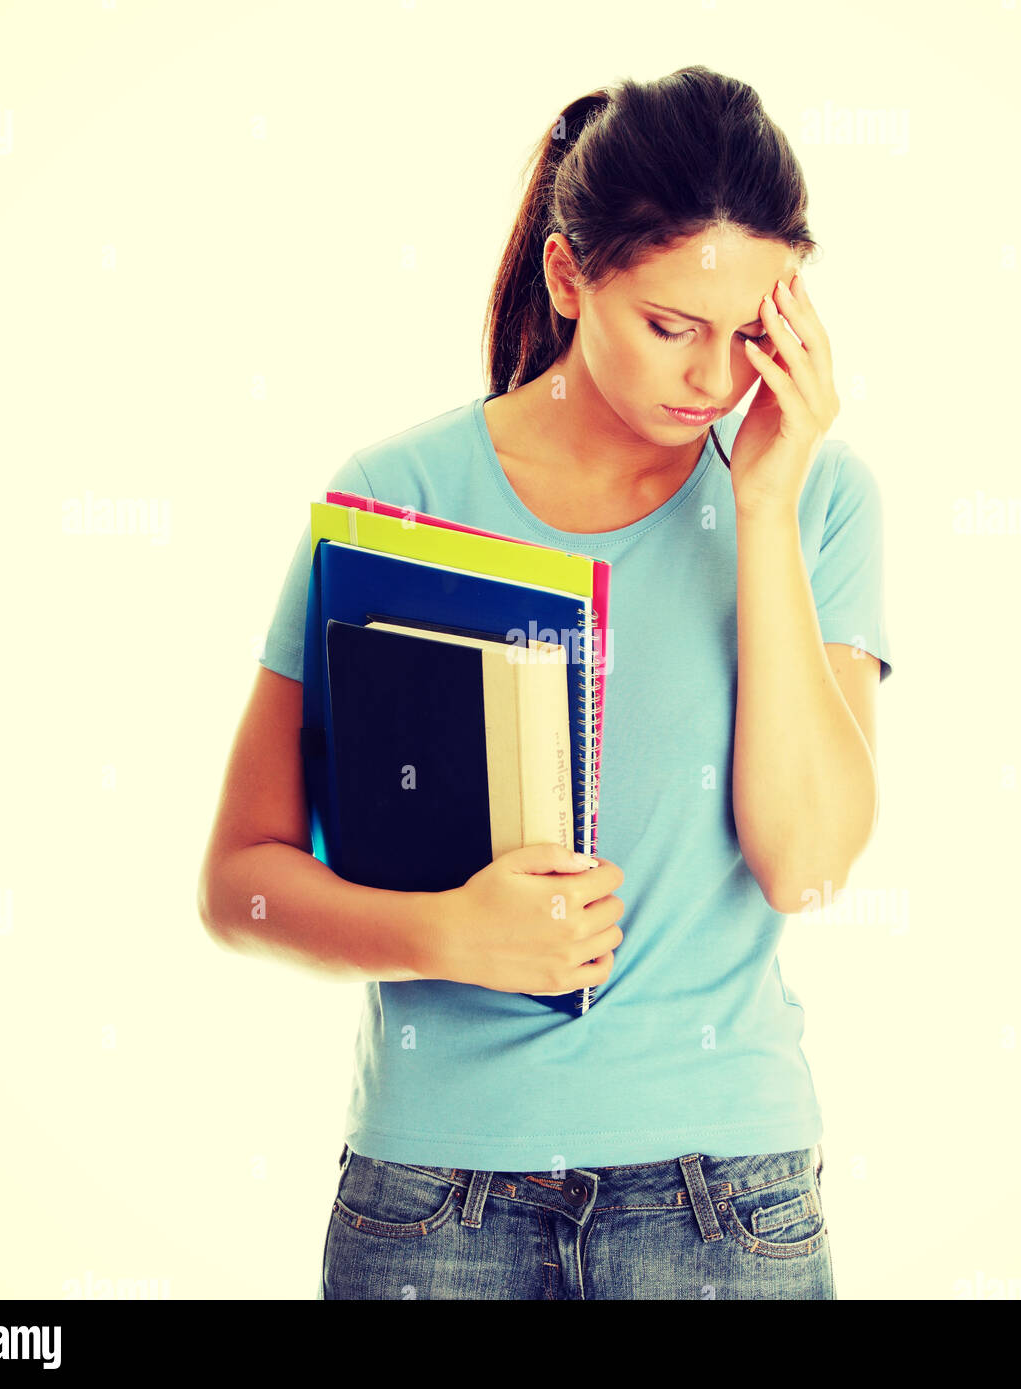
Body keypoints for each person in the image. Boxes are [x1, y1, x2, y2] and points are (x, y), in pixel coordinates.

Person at [198, 64, 893, 1301]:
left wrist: (766, 506)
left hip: (722, 1197)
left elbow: (808, 862)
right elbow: (239, 882)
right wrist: (444, 936)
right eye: (669, 325)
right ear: (570, 278)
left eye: (750, 333)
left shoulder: (816, 499)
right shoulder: (396, 496)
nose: (714, 379)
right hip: (432, 1201)